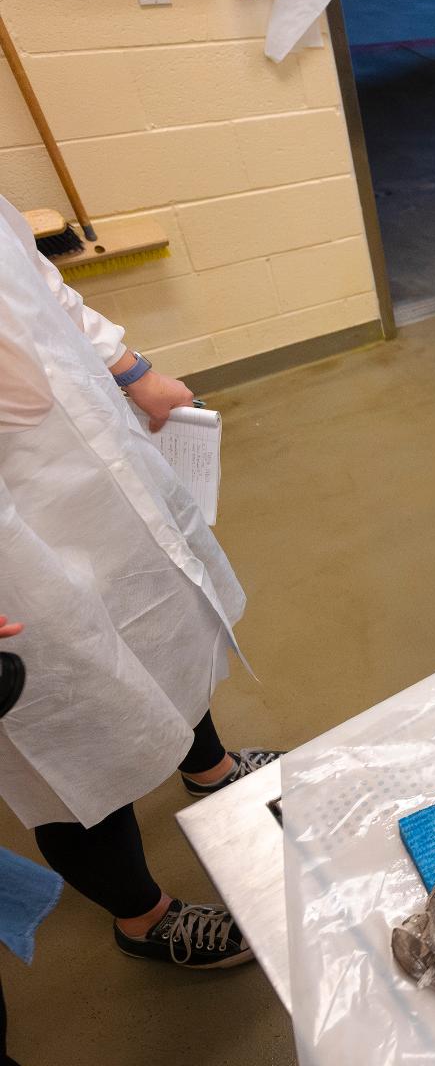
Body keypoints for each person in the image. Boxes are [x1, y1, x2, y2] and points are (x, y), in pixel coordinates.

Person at [0, 197, 273, 972]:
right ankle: (142, 916)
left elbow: (37, 285)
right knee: (67, 721)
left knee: (162, 620)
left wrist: (132, 369)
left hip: (85, 464)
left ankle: (209, 767)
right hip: (9, 540)